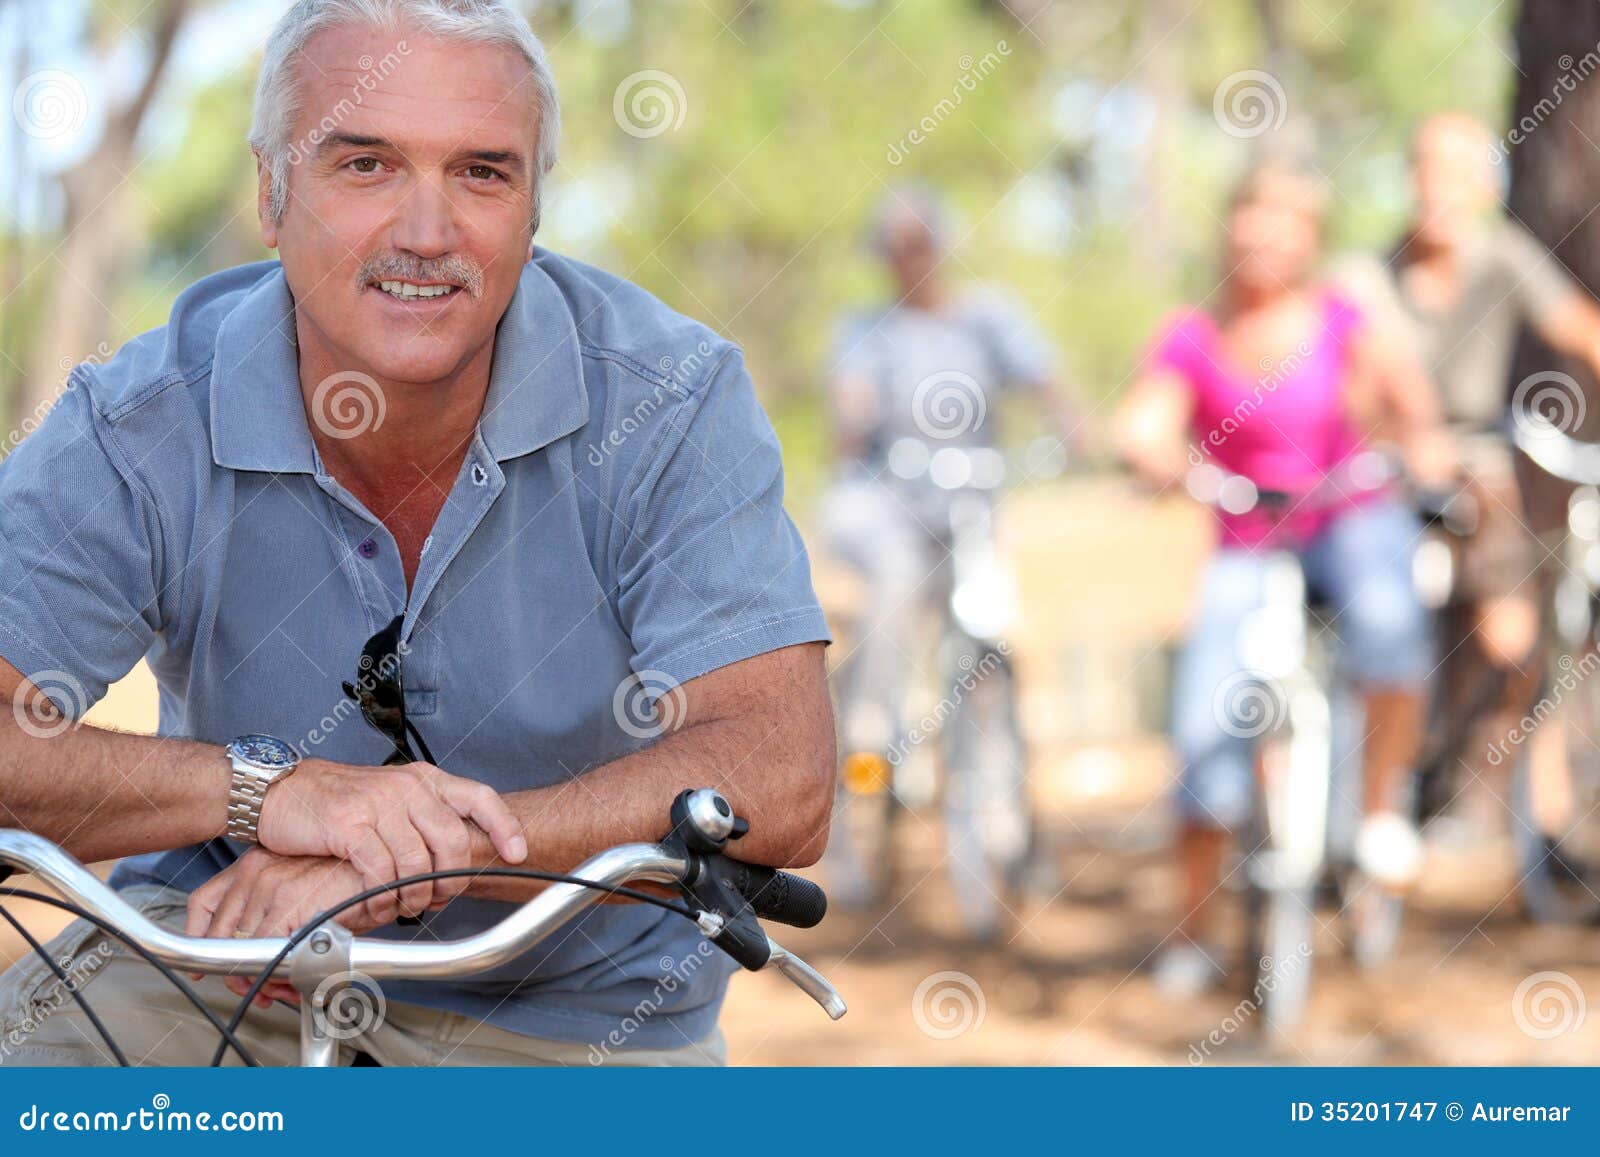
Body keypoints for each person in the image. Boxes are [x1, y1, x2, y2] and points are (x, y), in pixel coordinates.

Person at [0, 0, 834, 1066]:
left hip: (579, 1017)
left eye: (483, 172)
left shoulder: (670, 398)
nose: (427, 232)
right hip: (216, 965)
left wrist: (397, 861)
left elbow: (783, 769)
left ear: (534, 208)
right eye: (366, 165)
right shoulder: (137, 421)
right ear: (270, 191)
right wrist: (273, 794)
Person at [1115, 163, 1446, 996]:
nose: (1266, 234)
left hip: (1347, 514)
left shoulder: (1342, 319)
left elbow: (1410, 405)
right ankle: (1195, 930)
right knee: (1203, 719)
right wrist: (1149, 451)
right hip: (1248, 539)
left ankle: (1379, 816)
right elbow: (1146, 419)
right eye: (1254, 215)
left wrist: (1425, 448)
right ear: (1229, 226)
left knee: (1387, 616)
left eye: (1288, 219)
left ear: (1311, 237)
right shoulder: (1194, 332)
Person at [820, 186, 1076, 932]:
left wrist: (1074, 424)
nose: (912, 261)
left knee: (993, 643)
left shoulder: (989, 316)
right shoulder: (866, 329)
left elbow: (1047, 381)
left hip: (970, 510)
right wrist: (853, 415)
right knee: (892, 592)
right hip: (887, 510)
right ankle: (870, 746)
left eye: (922, 243)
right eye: (897, 248)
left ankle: (1008, 814)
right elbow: (850, 404)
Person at [1334, 112, 1600, 797]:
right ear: (1408, 179)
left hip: (1482, 467)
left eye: (1460, 173)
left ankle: (1464, 772)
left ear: (1485, 185)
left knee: (1513, 647)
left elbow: (1577, 326)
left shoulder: (1502, 256)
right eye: (1429, 170)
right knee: (1378, 637)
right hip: (1382, 478)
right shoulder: (1361, 278)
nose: (1441, 190)